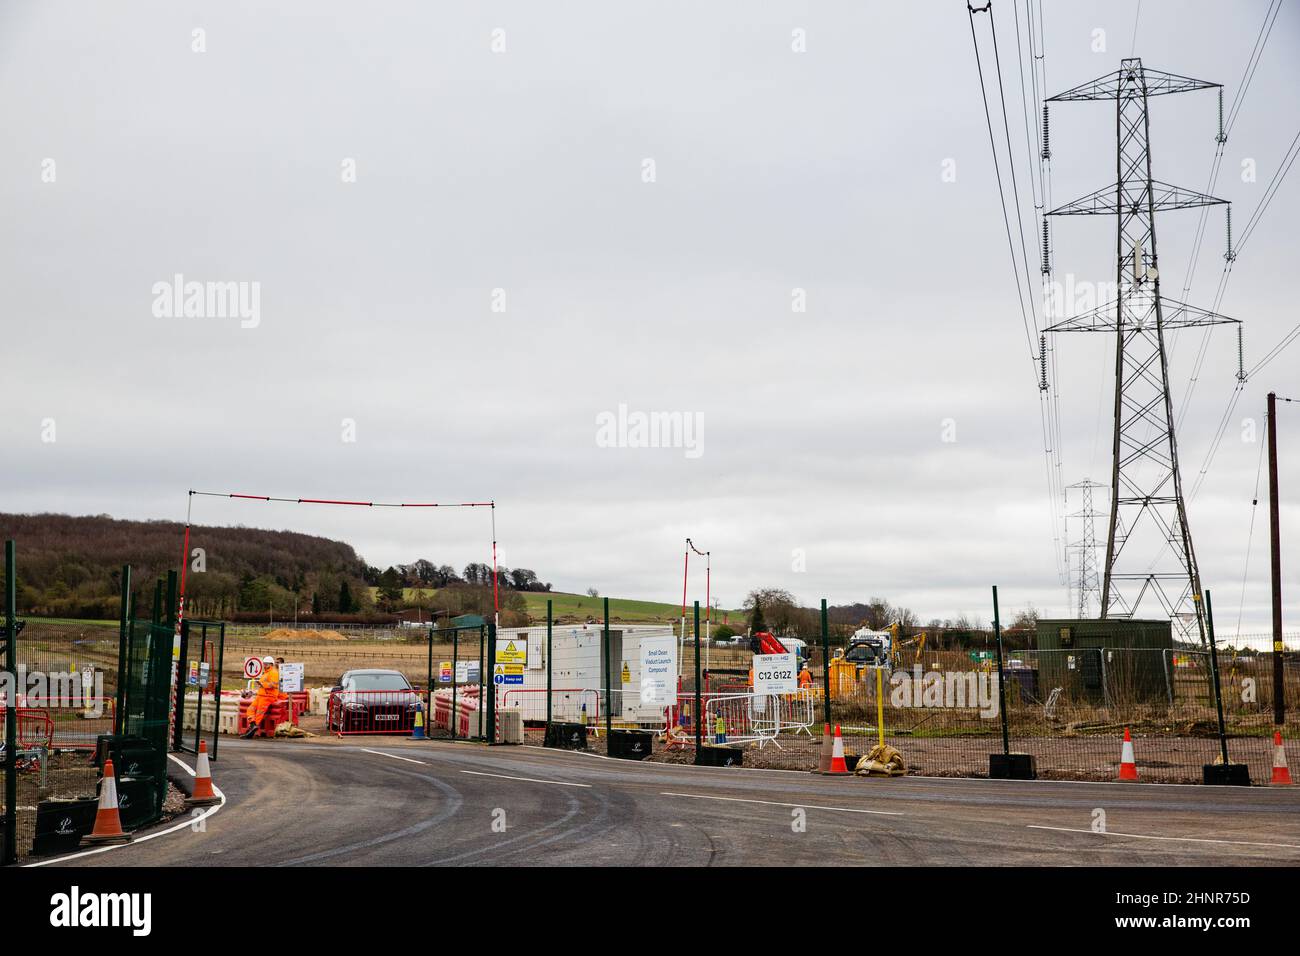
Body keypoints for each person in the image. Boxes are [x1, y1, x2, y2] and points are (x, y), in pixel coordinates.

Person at [242, 655, 282, 738]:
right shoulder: (266, 673)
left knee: (259, 713)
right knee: (250, 709)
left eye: (266, 664)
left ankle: (251, 731)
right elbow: (262, 686)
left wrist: (263, 684)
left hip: (268, 696)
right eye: (264, 664)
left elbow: (274, 685)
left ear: (270, 664)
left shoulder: (274, 672)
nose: (264, 665)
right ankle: (253, 725)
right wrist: (252, 692)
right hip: (261, 696)